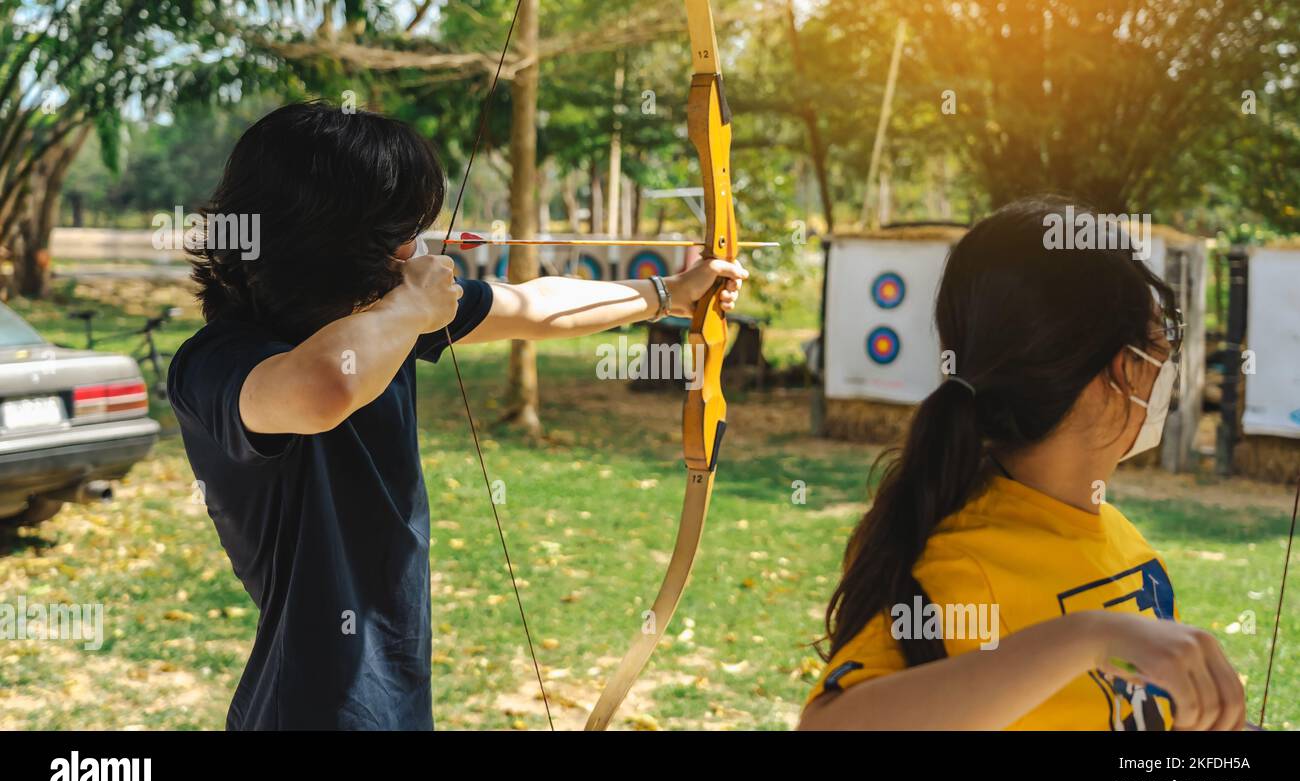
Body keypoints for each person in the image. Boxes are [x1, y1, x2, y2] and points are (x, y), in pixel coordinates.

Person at [168, 101, 746, 730]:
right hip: (309, 709)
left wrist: (667, 294)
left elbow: (533, 304)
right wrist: (410, 309)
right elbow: (324, 388)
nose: (413, 247)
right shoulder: (219, 363)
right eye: (400, 232)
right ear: (332, 240)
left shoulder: (384, 323)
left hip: (390, 692)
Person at [800, 197, 1245, 731]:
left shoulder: (1121, 540)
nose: (1167, 366)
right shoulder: (962, 566)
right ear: (1121, 371)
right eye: (1159, 343)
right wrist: (1087, 638)